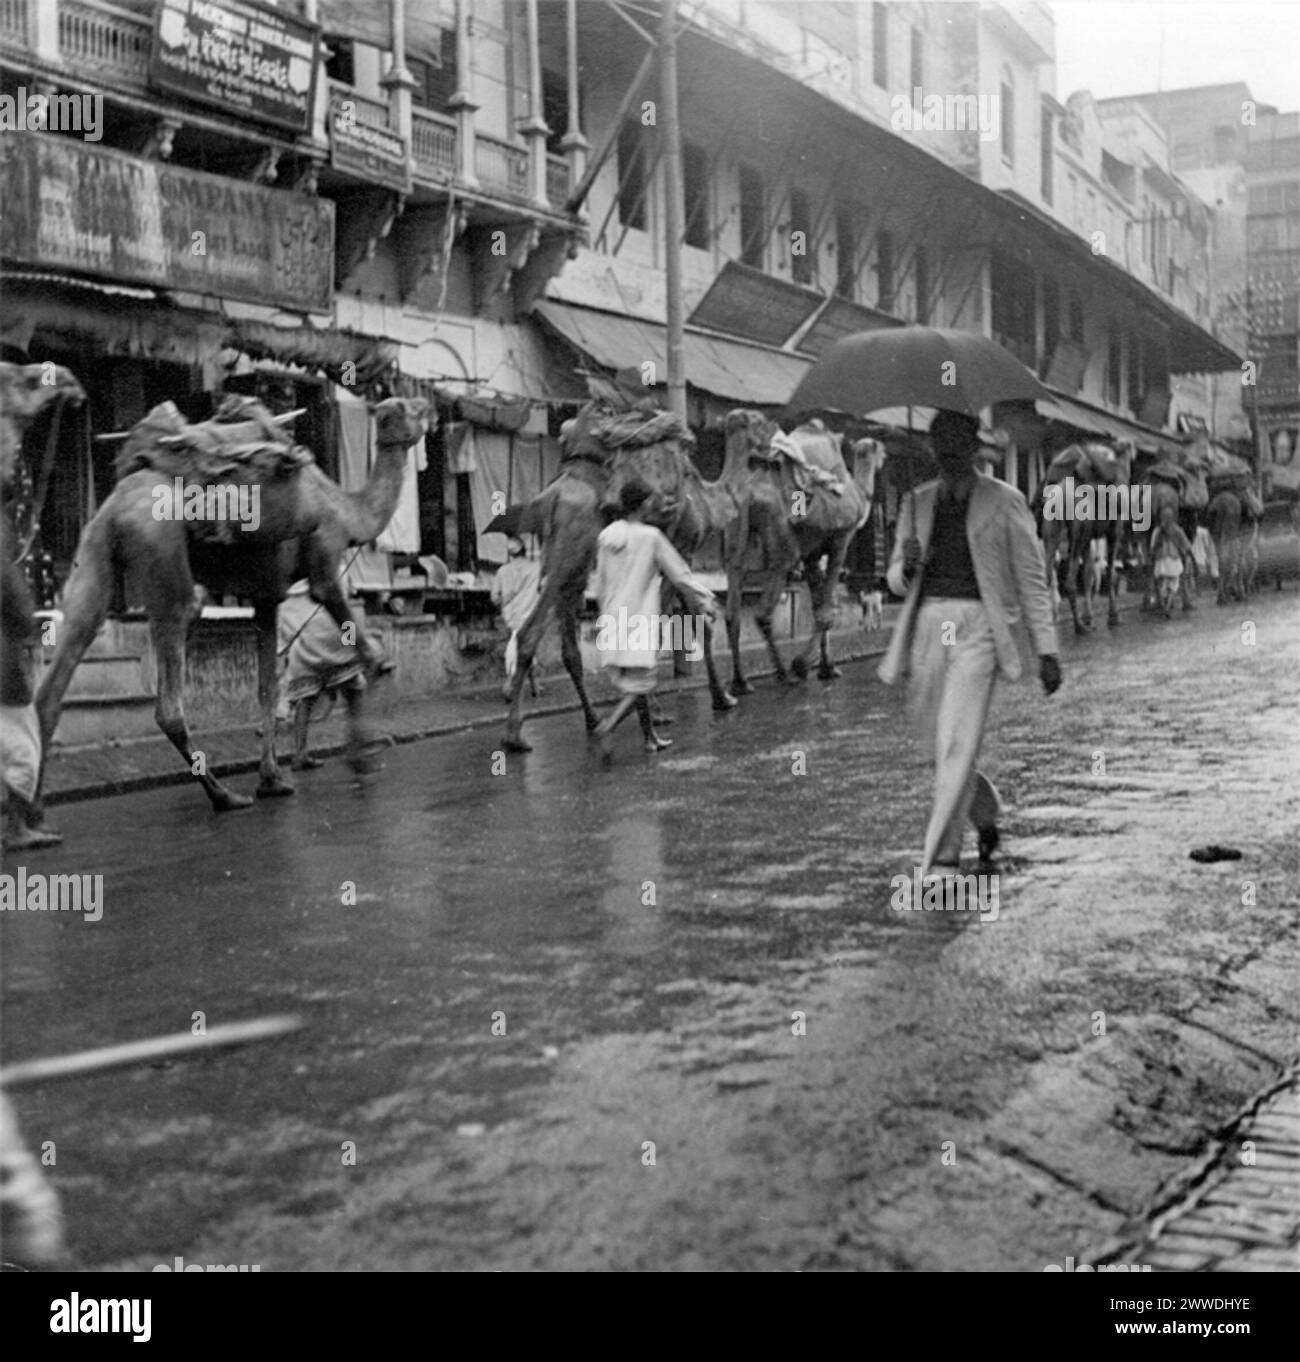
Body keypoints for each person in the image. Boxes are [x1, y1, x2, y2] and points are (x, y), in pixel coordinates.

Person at [878, 410, 1062, 879]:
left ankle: (940, 860)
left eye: (958, 449)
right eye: (942, 451)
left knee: (957, 741)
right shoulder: (916, 504)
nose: (950, 459)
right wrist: (908, 566)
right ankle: (985, 813)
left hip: (980, 626)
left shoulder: (1006, 502)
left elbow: (1031, 578)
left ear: (975, 450)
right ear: (934, 452)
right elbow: (896, 581)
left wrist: (1047, 650)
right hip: (928, 626)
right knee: (937, 747)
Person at [591, 479, 717, 762]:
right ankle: (607, 726)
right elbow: (681, 576)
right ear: (645, 504)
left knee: (634, 681)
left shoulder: (606, 536)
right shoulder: (651, 537)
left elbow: (599, 582)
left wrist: (602, 617)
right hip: (638, 619)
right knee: (643, 683)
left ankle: (650, 737)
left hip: (613, 616)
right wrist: (706, 599)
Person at [278, 575, 391, 773]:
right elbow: (342, 610)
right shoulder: (331, 567)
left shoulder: (285, 584)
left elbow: (284, 628)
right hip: (332, 639)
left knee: (304, 700)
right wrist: (356, 647)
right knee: (355, 694)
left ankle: (300, 754)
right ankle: (358, 753)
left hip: (303, 649)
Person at [1, 515, 61, 850]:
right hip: (12, 647)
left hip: (31, 633)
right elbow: (23, 607)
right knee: (23, 745)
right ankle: (17, 825)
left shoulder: (34, 559)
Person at [491, 534, 543, 698]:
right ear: (525, 551)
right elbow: (543, 590)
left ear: (510, 554)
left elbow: (494, 598)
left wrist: (508, 598)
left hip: (510, 619)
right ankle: (510, 684)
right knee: (527, 650)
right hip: (530, 618)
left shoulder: (502, 571)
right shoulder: (536, 568)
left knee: (518, 648)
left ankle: (534, 685)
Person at [1150, 504, 1193, 616]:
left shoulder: (1157, 531)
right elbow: (1187, 546)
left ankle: (1163, 605)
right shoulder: (1177, 530)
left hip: (1160, 561)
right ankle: (1168, 606)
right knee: (1174, 586)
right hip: (1174, 561)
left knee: (1161, 585)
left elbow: (1152, 548)